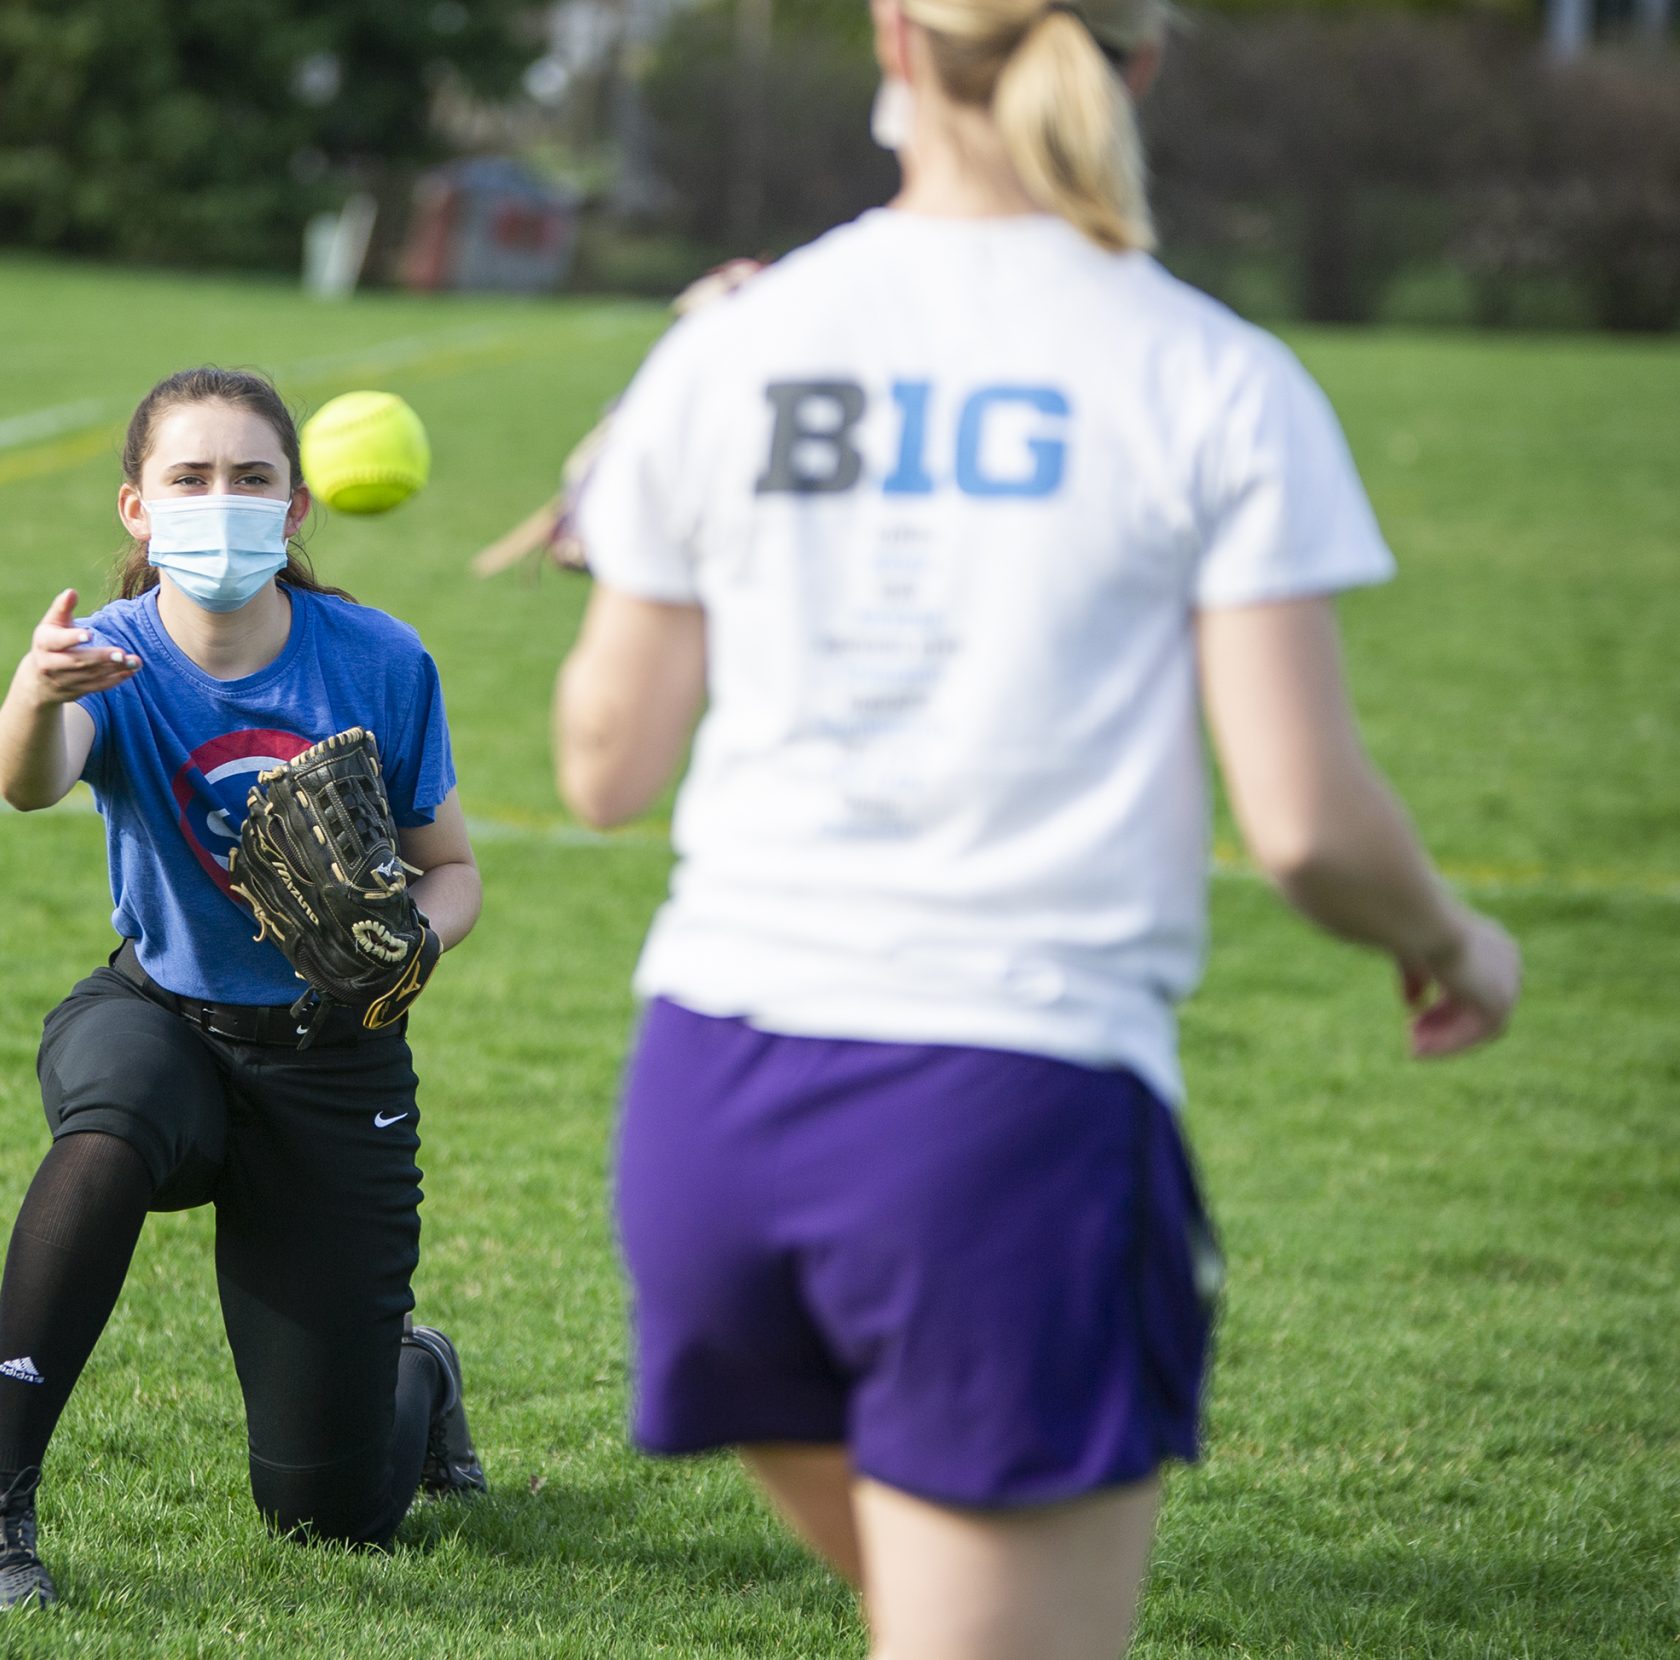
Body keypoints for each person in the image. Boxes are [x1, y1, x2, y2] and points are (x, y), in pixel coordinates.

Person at [550, 0, 1523, 1652]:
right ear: (1142, 65)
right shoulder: (1211, 372)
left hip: (710, 1109)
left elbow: (603, 767)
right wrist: (1453, 939)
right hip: (1000, 1123)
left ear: (894, 44)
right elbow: (1304, 825)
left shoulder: (732, 344)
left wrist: (634, 466)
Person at [0, 367, 488, 1612]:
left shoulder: (382, 661)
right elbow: (29, 782)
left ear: (297, 509)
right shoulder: (111, 654)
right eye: (189, 478)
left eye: (251, 478)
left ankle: (418, 1374)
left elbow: (453, 870)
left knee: (328, 1515)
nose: (222, 500)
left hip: (331, 1058)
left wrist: (405, 943)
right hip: (160, 1019)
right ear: (136, 508)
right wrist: (34, 690)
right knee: (108, 1129)